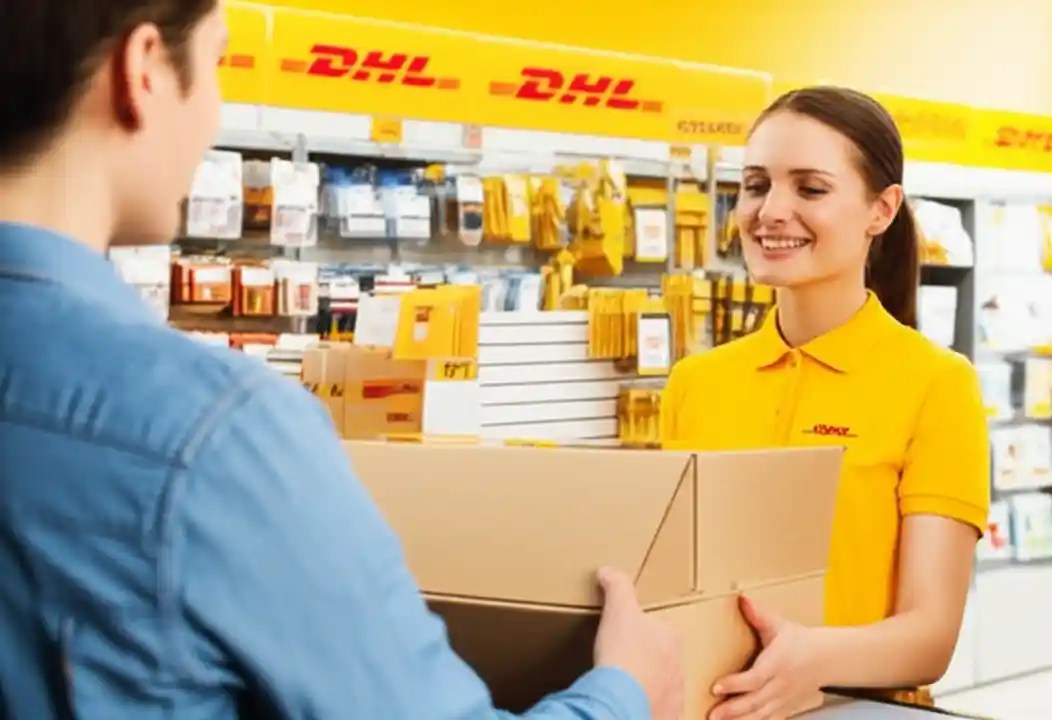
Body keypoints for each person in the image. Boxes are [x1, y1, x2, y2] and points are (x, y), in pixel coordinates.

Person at [0, 1, 681, 718]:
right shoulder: (212, 430)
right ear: (141, 73)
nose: (215, 109)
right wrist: (624, 690)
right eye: (219, 64)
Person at [661, 86, 990, 719]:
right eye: (756, 185)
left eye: (810, 189)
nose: (770, 211)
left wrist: (811, 659)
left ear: (881, 210)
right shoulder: (695, 383)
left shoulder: (937, 383)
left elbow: (930, 637)